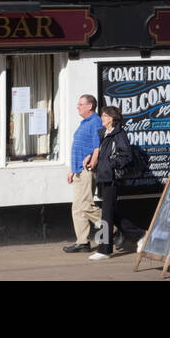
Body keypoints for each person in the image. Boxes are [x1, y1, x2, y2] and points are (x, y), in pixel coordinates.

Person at [88, 105, 145, 261]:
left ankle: (104, 250)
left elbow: (126, 156)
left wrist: (110, 164)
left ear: (112, 118)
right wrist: (91, 158)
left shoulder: (118, 134)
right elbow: (97, 152)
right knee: (109, 212)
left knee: (107, 214)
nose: (102, 118)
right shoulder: (103, 133)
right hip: (102, 177)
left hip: (112, 178)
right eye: (102, 115)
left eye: (105, 116)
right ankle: (140, 235)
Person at [62, 94, 102, 253]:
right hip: (78, 169)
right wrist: (71, 169)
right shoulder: (84, 122)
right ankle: (83, 242)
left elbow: (97, 145)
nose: (77, 107)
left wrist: (93, 160)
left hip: (87, 169)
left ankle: (114, 230)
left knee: (86, 205)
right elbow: (79, 147)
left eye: (80, 104)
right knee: (77, 208)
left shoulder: (95, 121)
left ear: (90, 106)